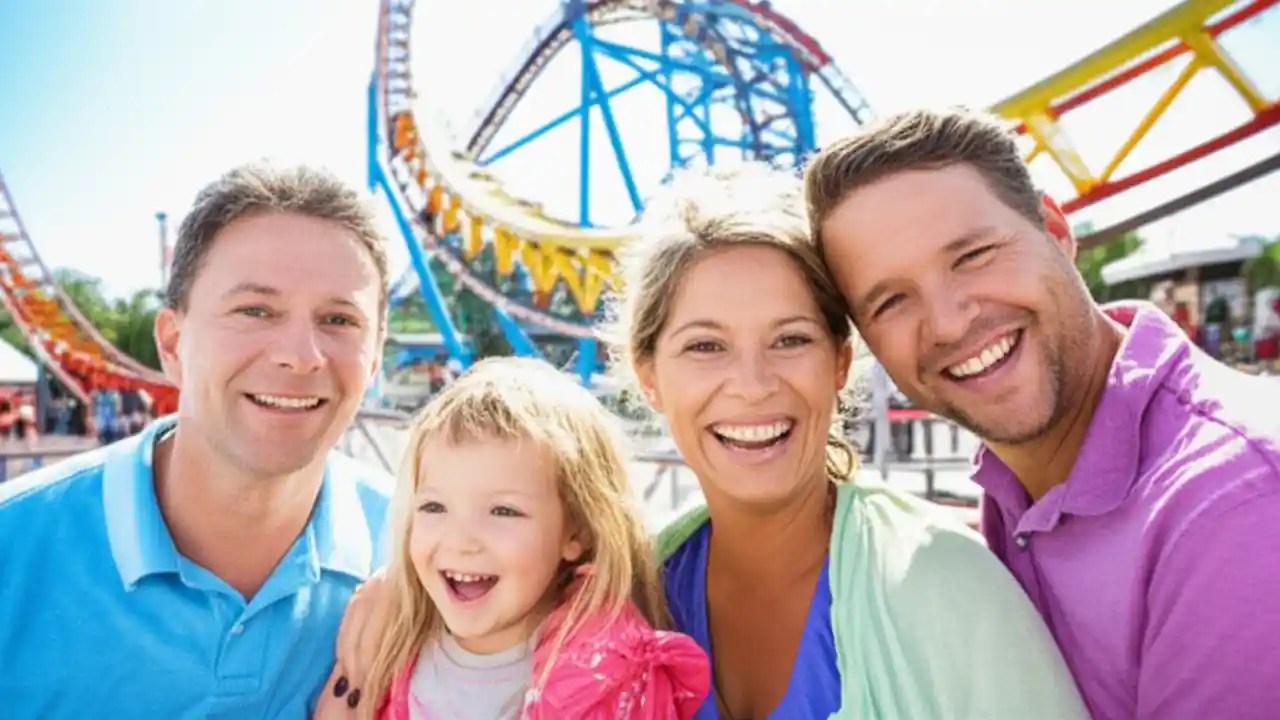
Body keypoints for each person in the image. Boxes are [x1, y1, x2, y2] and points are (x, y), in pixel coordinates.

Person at [805, 107, 1280, 719]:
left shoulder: (1231, 506)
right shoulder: (1015, 483)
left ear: (1055, 230)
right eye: (891, 300)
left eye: (973, 255)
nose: (949, 321)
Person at [611, 164, 1086, 719]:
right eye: (705, 347)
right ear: (649, 377)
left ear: (839, 362)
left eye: (791, 339)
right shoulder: (630, 598)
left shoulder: (944, 587)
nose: (753, 385)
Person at [0, 162, 396, 717]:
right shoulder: (16, 549)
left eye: (339, 320)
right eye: (255, 310)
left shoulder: (430, 556)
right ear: (172, 343)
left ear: (375, 355)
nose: (301, 355)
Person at [312, 357, 709, 719]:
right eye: (434, 507)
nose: (461, 540)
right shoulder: (389, 645)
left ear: (578, 533)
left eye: (503, 511)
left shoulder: (616, 676)